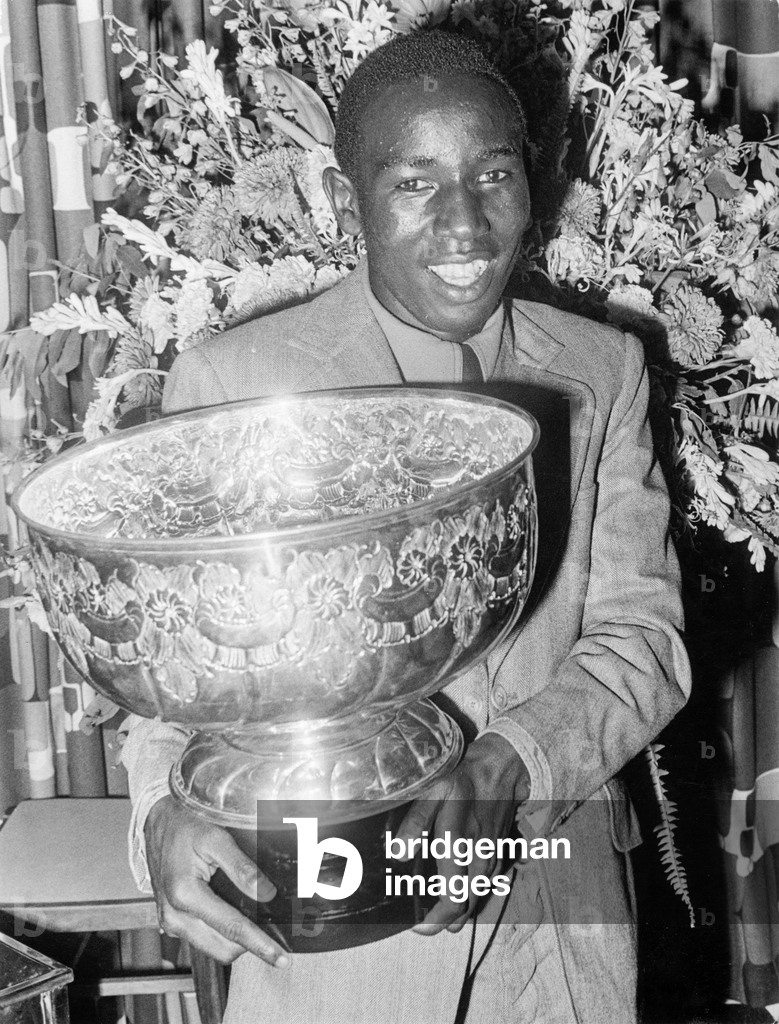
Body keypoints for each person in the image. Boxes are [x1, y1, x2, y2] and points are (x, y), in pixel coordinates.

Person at [120, 29, 691, 1023]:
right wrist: (158, 816)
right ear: (347, 204)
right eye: (414, 184)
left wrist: (513, 760)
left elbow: (644, 638)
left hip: (556, 923)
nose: (464, 222)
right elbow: (175, 665)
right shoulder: (235, 380)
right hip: (329, 938)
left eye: (493, 174)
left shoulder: (602, 370)